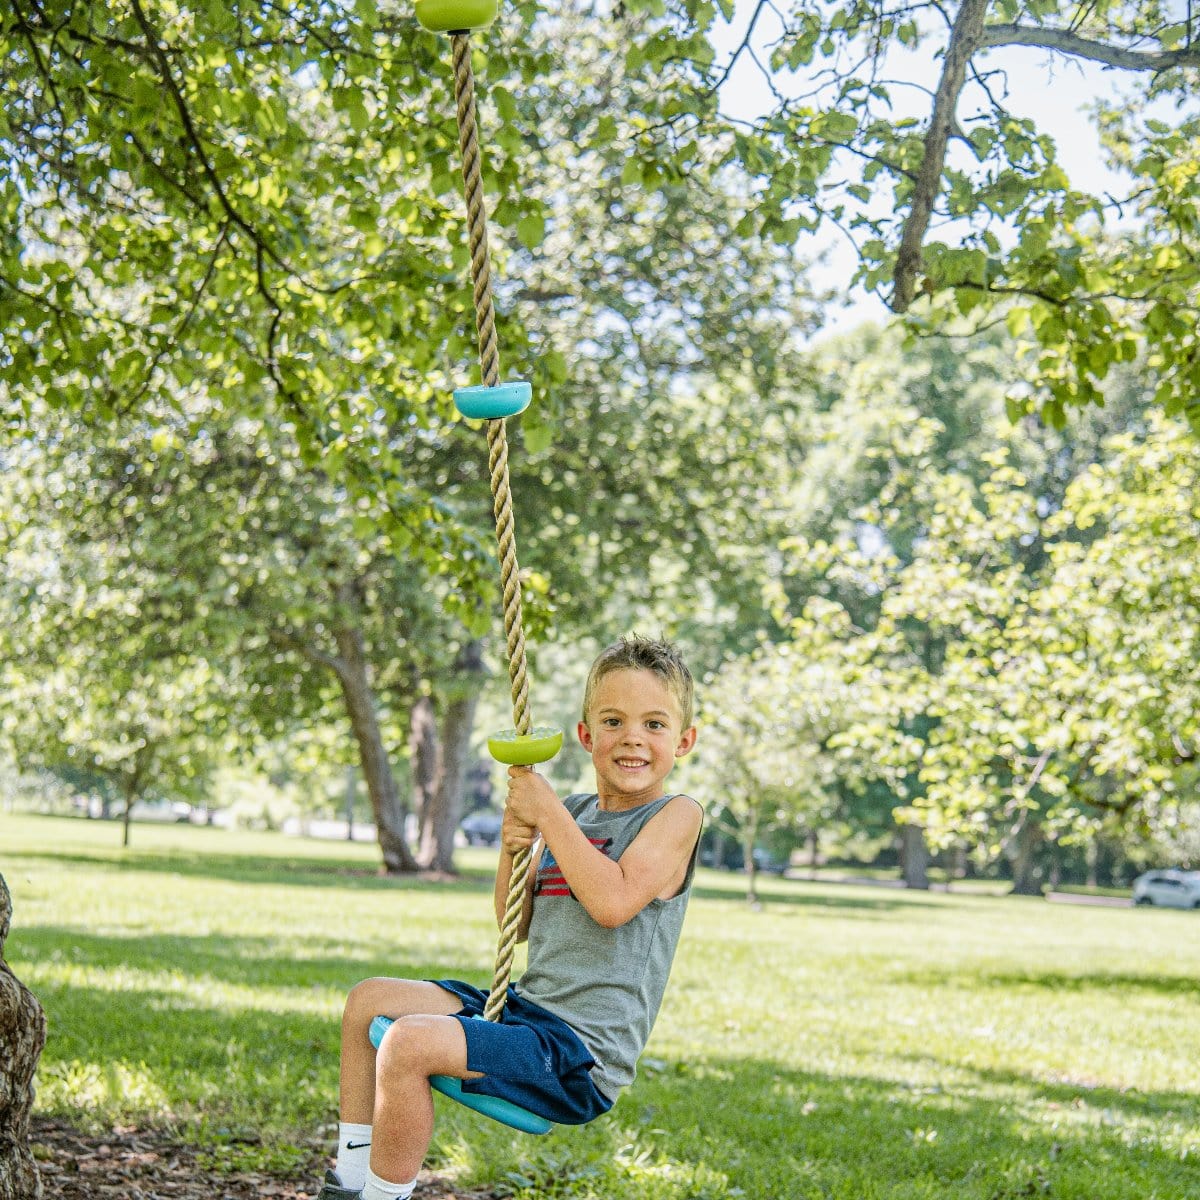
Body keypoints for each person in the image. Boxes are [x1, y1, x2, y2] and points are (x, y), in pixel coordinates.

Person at [316, 635, 703, 1200]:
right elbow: (513, 924)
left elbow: (613, 904)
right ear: (585, 735)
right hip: (525, 1014)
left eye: (655, 724)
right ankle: (348, 1185)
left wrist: (544, 812)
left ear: (684, 740)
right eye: (614, 721)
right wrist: (514, 843)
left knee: (407, 1043)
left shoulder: (676, 816)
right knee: (367, 1002)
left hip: (579, 1052)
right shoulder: (572, 811)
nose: (633, 739)